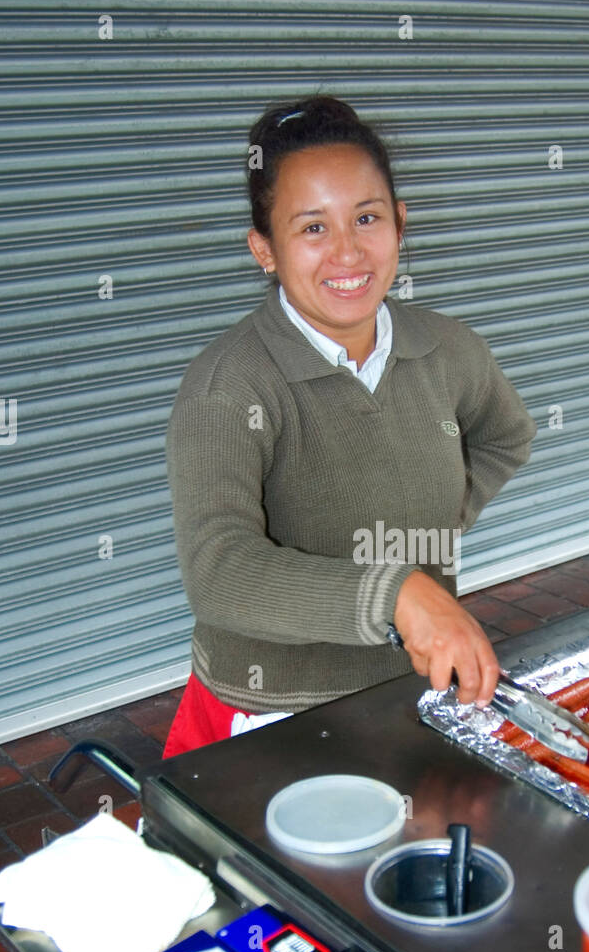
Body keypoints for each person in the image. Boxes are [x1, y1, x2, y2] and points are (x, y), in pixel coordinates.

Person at [163, 95, 536, 757]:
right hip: (273, 713)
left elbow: (506, 433)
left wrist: (431, 523)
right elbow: (217, 571)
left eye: (366, 217)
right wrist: (396, 592)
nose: (347, 251)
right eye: (312, 228)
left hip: (411, 687)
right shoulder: (230, 384)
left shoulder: (447, 349)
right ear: (264, 250)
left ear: (399, 223)